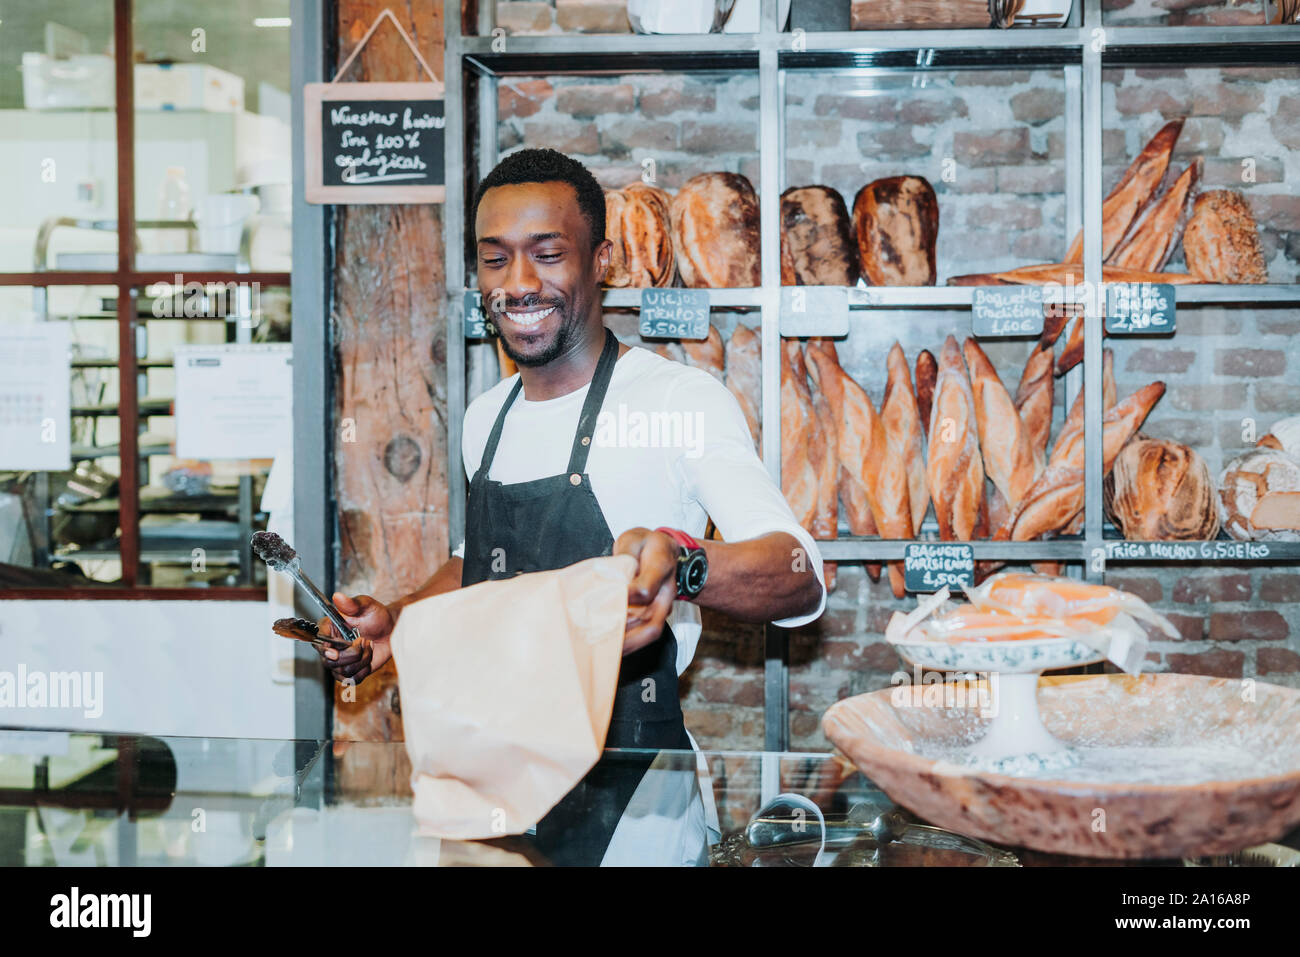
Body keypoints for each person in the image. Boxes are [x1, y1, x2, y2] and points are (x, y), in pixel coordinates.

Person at [318, 147, 826, 865]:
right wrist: (393, 627)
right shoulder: (485, 418)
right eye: (495, 260)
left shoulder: (677, 402)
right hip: (494, 787)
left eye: (547, 254)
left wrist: (682, 562)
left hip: (633, 809)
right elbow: (479, 566)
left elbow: (801, 573)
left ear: (604, 260)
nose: (519, 283)